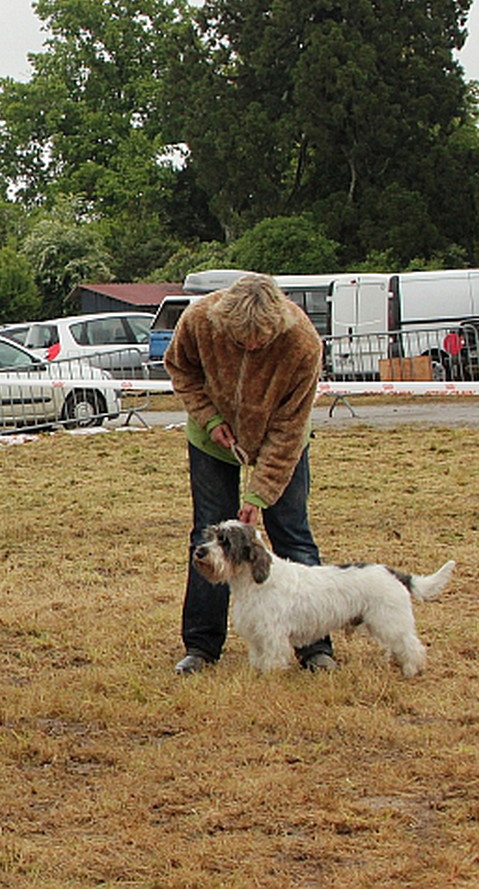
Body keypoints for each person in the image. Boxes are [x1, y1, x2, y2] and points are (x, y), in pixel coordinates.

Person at [164, 273, 336, 675]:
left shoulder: (303, 343)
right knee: (206, 534)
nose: (251, 347)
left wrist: (259, 495)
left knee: (293, 533)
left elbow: (290, 428)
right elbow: (180, 369)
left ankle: (315, 648)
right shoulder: (199, 320)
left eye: (260, 342)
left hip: (280, 442)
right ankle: (201, 647)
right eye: (241, 341)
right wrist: (209, 420)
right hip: (212, 441)